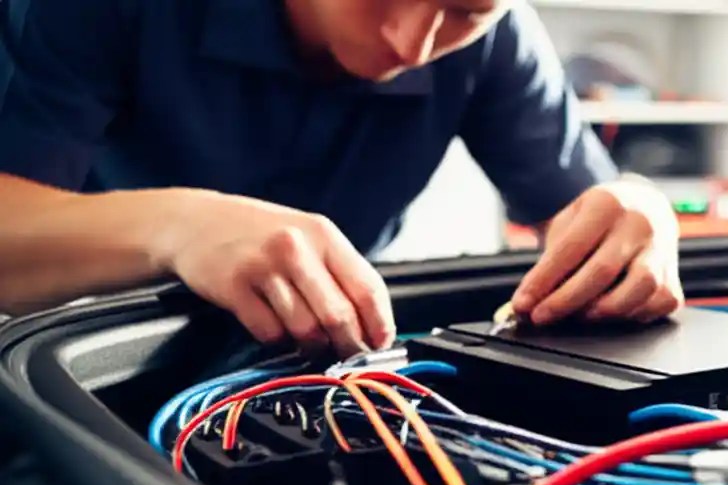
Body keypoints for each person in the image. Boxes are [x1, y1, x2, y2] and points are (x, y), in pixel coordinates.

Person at [0, 0, 683, 355]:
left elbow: (584, 211)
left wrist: (638, 210)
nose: (409, 43)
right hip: (79, 363)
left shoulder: (501, 38)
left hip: (323, 368)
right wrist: (179, 227)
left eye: (464, 12)